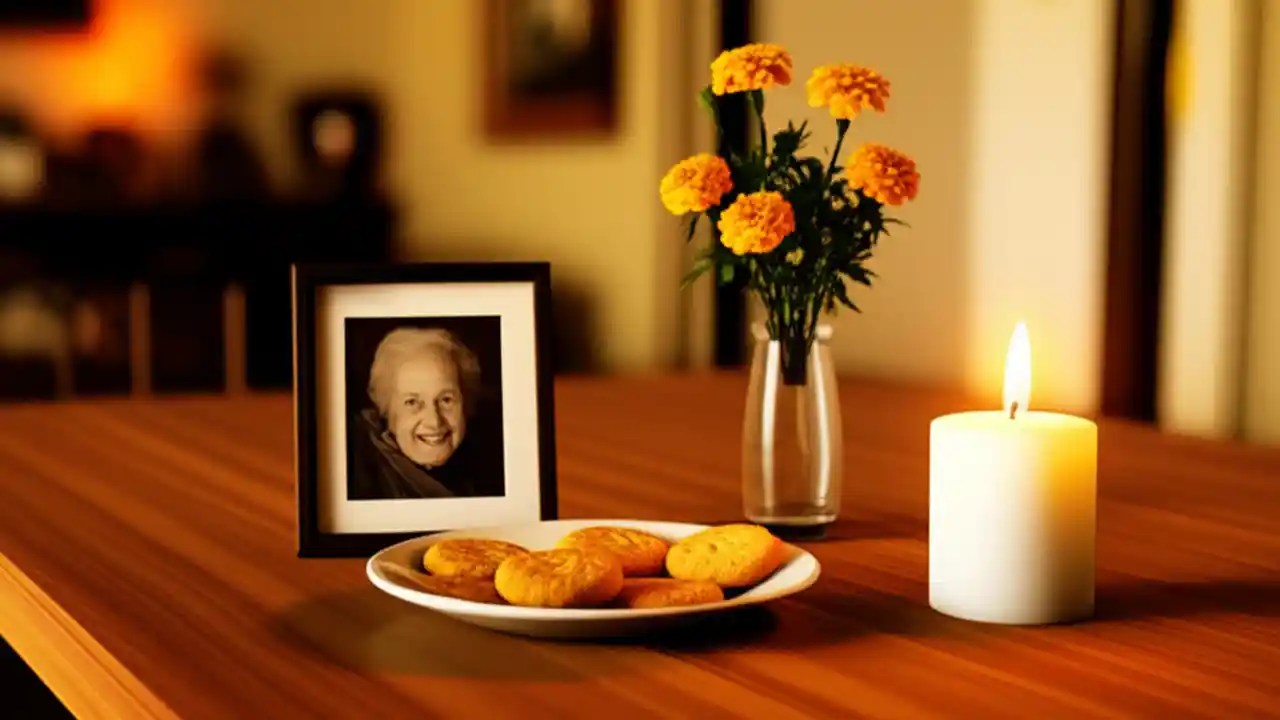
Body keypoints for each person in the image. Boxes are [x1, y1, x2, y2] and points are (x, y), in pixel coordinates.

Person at [348, 328, 504, 499]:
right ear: (386, 409)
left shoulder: (488, 469)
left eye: (446, 400)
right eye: (412, 402)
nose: (434, 422)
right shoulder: (363, 478)